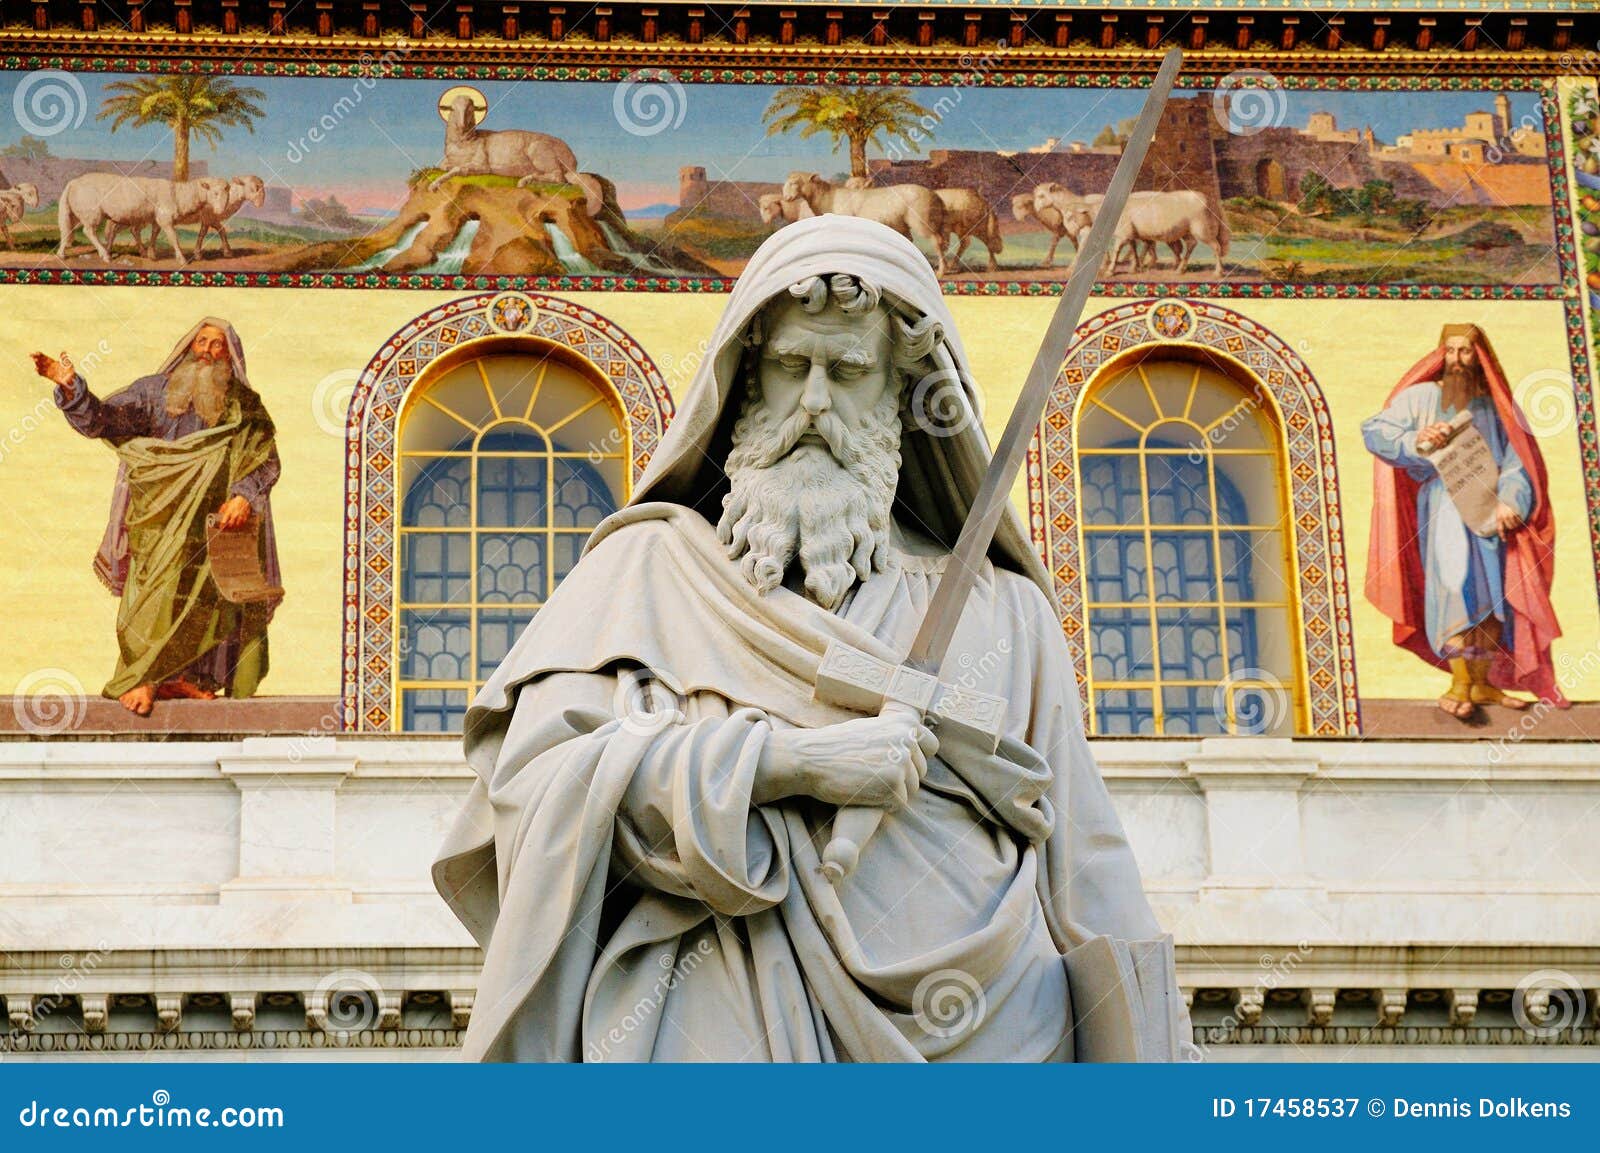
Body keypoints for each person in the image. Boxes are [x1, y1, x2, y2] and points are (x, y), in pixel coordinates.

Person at [434, 215, 1185, 1062]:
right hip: (717, 1021)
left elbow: (1088, 866)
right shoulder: (643, 573)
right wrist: (787, 766)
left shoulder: (1003, 612)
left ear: (905, 397)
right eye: (792, 365)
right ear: (747, 382)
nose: (817, 402)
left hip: (1000, 1032)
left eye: (851, 370)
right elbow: (533, 794)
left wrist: (1161, 1059)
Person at [32, 318, 282, 716]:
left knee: (211, 602)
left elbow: (265, 458)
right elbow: (104, 421)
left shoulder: (244, 404)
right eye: (201, 341)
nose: (207, 350)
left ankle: (187, 679)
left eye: (218, 345)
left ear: (230, 356)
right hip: (158, 519)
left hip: (216, 525)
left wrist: (244, 495)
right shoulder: (153, 392)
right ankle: (144, 679)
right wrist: (70, 386)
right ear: (188, 348)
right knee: (155, 596)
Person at [1363, 323, 1564, 720]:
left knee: (1491, 600)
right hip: (1443, 507)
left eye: (1466, 352)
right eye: (1451, 351)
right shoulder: (1421, 397)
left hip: (1488, 511)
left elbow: (1518, 461)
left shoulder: (1495, 408)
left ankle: (1483, 682)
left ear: (1479, 356)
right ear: (1441, 355)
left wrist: (1512, 502)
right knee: (1453, 588)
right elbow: (1375, 432)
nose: (1457, 360)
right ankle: (1458, 683)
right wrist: (1419, 439)